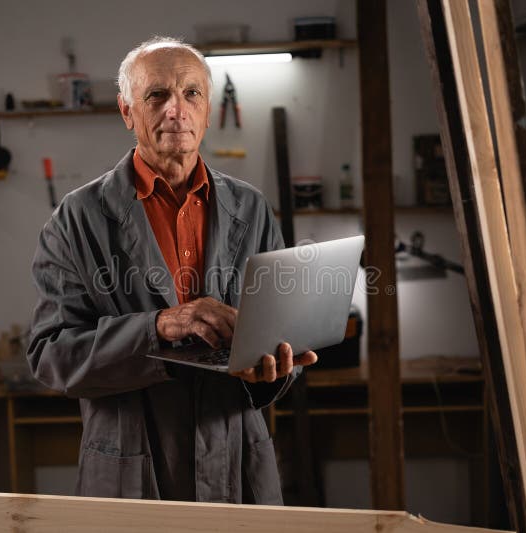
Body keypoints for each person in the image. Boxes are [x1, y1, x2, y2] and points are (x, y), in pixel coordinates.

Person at [27, 36, 318, 504]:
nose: (176, 110)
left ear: (205, 110)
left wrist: (276, 368)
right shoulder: (77, 218)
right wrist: (161, 325)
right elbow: (51, 355)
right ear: (127, 112)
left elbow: (277, 331)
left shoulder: (251, 207)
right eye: (157, 95)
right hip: (131, 464)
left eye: (191, 94)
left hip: (235, 460)